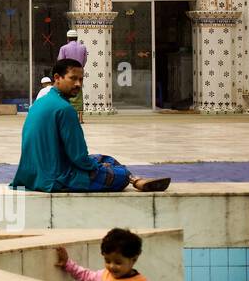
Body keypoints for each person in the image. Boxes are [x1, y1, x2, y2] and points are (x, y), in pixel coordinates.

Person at [11, 58, 170, 193]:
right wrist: (97, 168)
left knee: (107, 159)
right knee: (120, 174)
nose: (78, 84)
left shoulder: (41, 103)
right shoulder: (64, 109)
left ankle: (135, 180)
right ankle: (134, 180)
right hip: (56, 178)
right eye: (73, 78)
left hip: (33, 174)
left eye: (81, 79)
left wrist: (99, 164)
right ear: (57, 78)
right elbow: (79, 157)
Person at [54, 228, 162, 281]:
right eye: (107, 261)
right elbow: (86, 276)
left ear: (133, 260)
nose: (112, 266)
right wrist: (67, 264)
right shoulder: (105, 275)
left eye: (118, 262)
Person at [57, 30, 88, 122]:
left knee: (66, 92)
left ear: (68, 39)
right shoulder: (83, 47)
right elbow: (85, 60)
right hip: (79, 72)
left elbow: (60, 61)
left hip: (68, 73)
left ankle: (68, 116)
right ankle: (80, 118)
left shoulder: (64, 48)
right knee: (78, 93)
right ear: (77, 38)